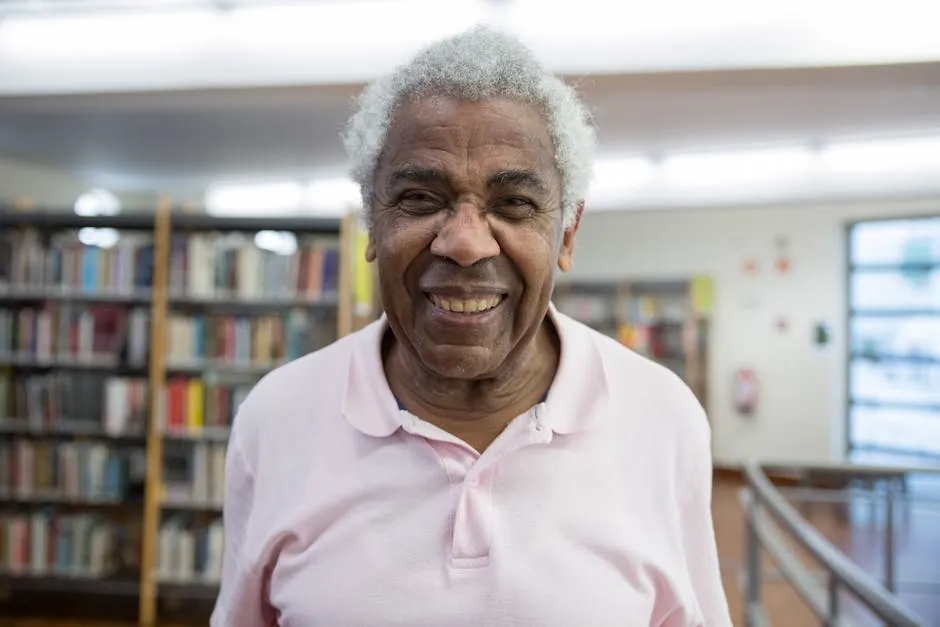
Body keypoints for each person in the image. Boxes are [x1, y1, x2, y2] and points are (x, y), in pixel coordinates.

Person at [210, 25, 732, 627]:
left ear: (566, 233)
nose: (464, 243)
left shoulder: (662, 416)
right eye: (418, 198)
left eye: (513, 204)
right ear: (372, 227)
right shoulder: (276, 417)